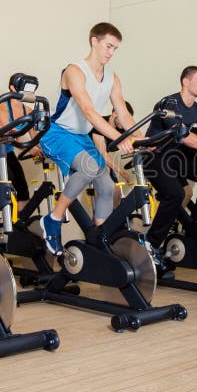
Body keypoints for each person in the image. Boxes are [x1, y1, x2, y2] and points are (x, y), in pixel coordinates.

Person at [38, 22, 135, 255]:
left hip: (80, 137)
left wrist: (141, 140)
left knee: (107, 186)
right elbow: (89, 112)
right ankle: (53, 219)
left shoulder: (112, 77)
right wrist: (119, 138)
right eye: (108, 46)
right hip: (56, 132)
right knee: (89, 167)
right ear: (94, 41)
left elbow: (123, 112)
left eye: (115, 49)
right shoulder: (74, 71)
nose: (111, 53)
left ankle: (100, 239)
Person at [143, 66, 197, 253]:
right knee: (176, 194)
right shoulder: (169, 103)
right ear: (186, 81)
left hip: (178, 156)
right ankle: (151, 243)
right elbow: (184, 136)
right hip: (156, 156)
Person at [0, 73, 44, 211]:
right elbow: (7, 134)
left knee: (22, 190)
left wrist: (43, 150)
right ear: (13, 88)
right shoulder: (2, 109)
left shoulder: (28, 111)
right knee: (9, 179)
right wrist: (30, 149)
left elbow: (36, 138)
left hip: (7, 152)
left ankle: (18, 225)